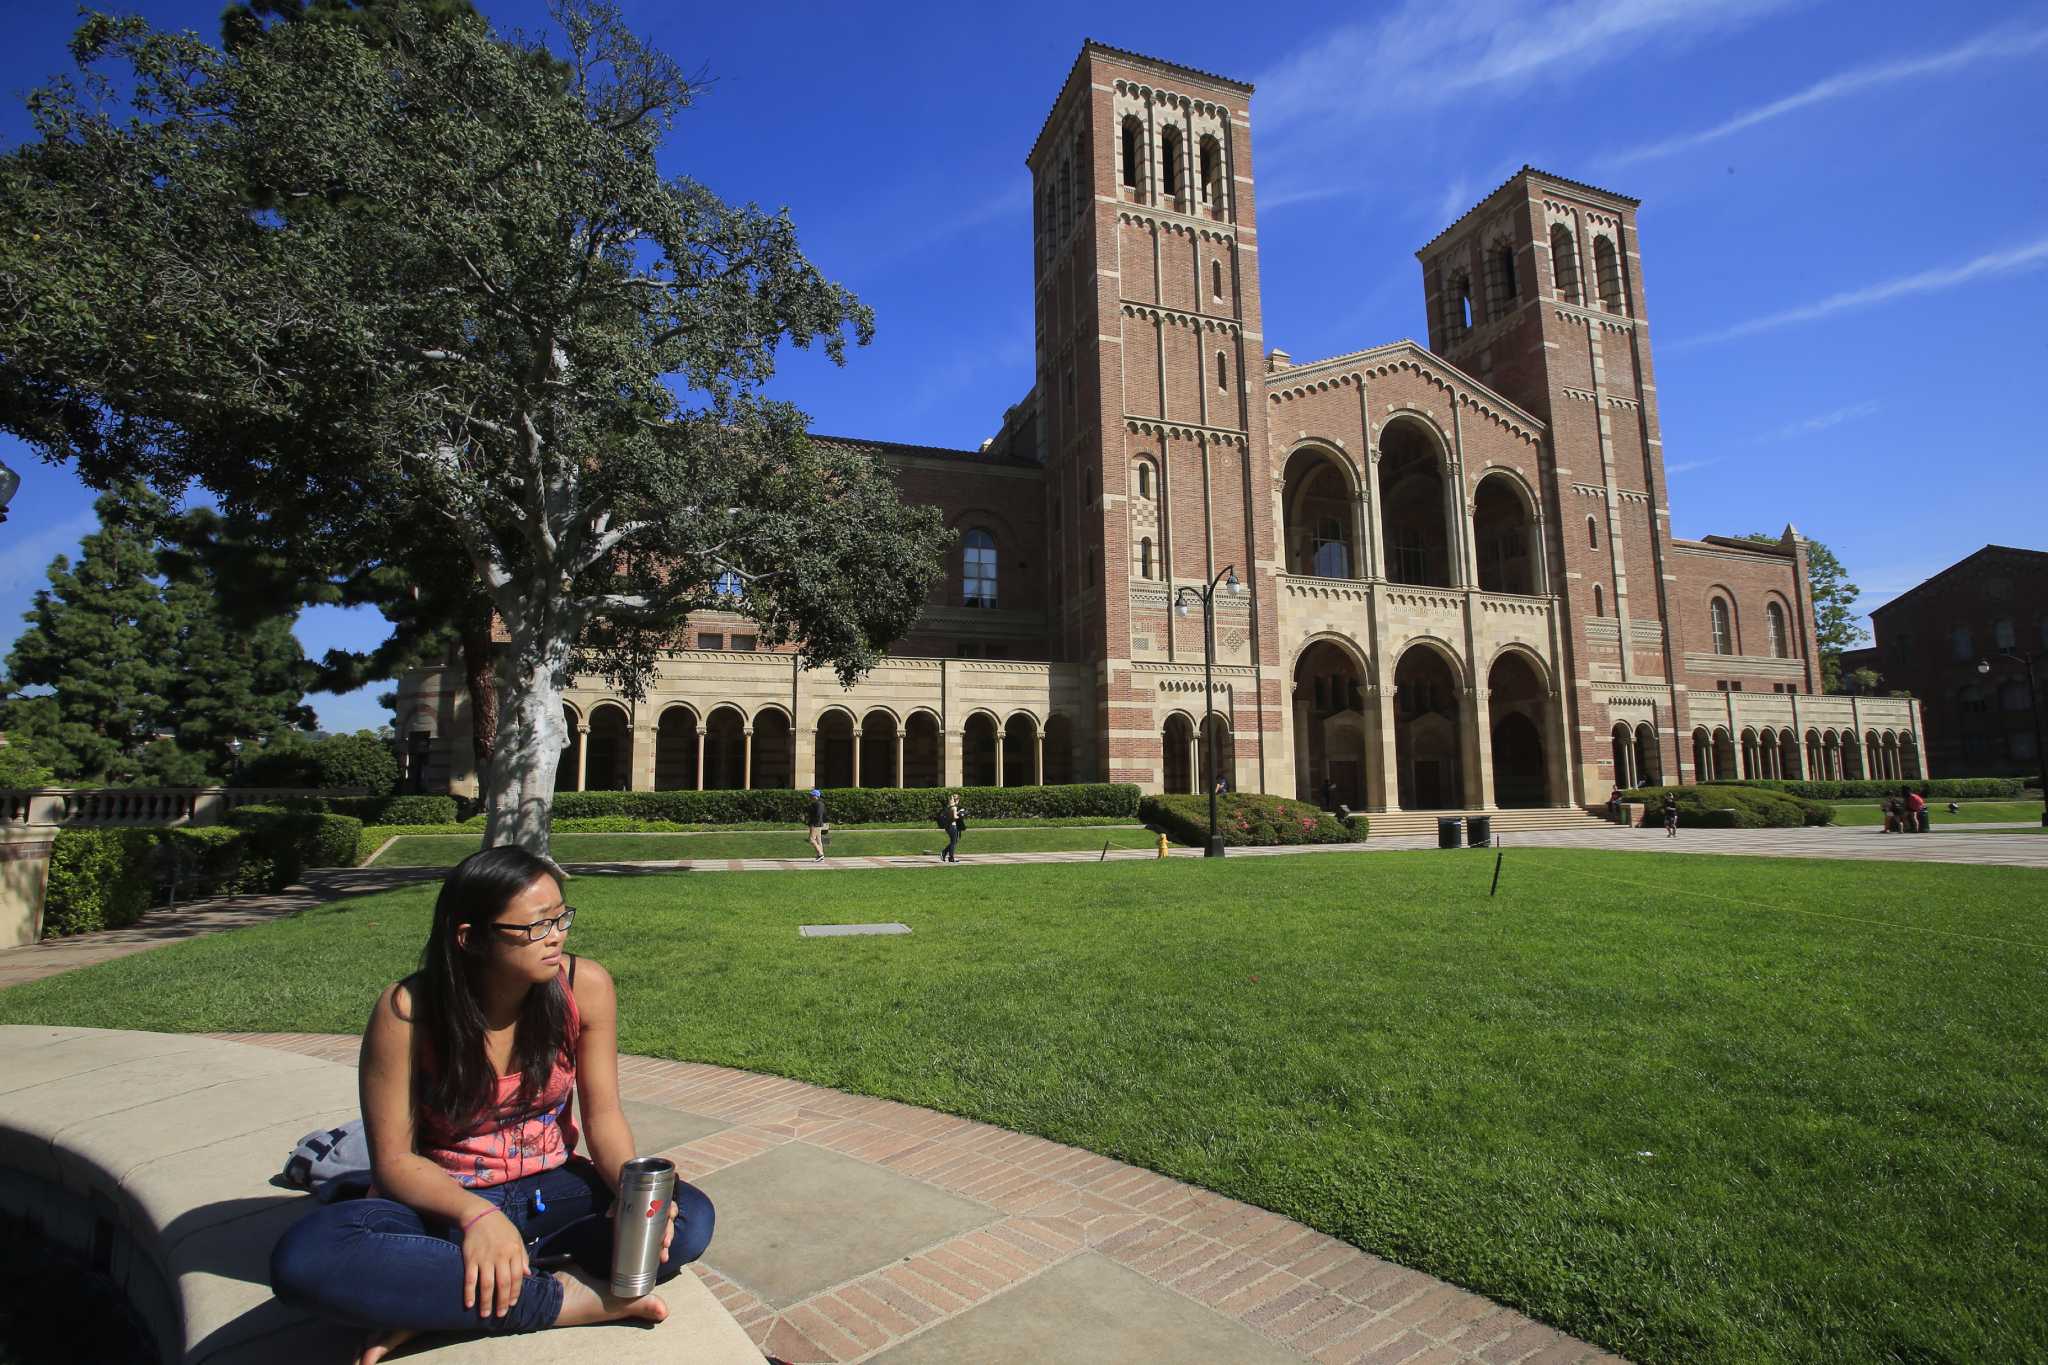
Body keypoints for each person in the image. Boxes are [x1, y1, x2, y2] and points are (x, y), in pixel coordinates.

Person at [269, 847, 715, 1363]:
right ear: (471, 938)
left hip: (552, 1192)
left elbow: (603, 1116)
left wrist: (631, 1197)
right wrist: (477, 1218)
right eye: (535, 926)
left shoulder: (584, 986)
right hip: (442, 1204)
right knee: (308, 1259)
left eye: (561, 918)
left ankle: (438, 1298)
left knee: (688, 1219)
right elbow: (394, 1162)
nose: (556, 936)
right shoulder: (408, 1012)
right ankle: (559, 1298)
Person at [937, 792, 965, 863]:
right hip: (952, 826)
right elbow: (954, 817)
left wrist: (958, 813)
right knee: (953, 842)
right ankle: (948, 855)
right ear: (956, 800)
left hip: (948, 826)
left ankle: (946, 855)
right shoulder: (954, 808)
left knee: (954, 842)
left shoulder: (949, 807)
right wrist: (961, 814)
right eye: (957, 799)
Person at [806, 787, 828, 861]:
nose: (810, 797)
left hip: (815, 824)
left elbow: (818, 815)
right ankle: (821, 856)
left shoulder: (818, 804)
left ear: (816, 796)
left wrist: (814, 824)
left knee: (811, 839)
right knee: (818, 840)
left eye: (812, 795)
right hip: (818, 823)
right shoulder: (818, 803)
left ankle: (820, 854)